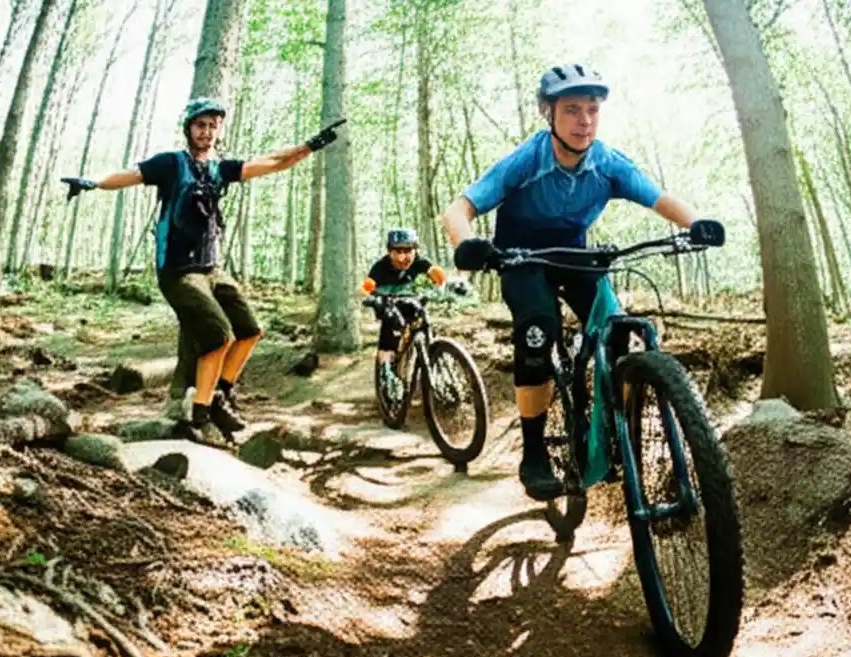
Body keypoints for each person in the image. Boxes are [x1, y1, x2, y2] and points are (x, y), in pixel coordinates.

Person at [440, 63, 708, 501]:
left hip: (574, 256)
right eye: (572, 110)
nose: (585, 121)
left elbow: (660, 198)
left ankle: (613, 434)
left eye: (592, 110)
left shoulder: (607, 163)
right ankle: (534, 455)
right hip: (521, 258)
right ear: (548, 113)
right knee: (537, 332)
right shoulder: (528, 160)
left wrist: (698, 224)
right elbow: (459, 208)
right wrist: (467, 244)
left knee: (619, 333)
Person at [61, 98, 344, 440]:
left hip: (211, 269)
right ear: (189, 129)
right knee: (219, 336)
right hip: (178, 271)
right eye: (200, 125)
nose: (206, 132)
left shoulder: (220, 169)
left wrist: (309, 147)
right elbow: (131, 175)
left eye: (212, 126)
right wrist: (92, 182)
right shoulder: (171, 164)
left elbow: (271, 163)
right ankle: (201, 411)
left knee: (250, 330)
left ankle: (221, 393)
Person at [359, 228, 447, 398]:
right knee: (389, 331)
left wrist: (443, 286)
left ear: (415, 250)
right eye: (397, 252)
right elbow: (366, 288)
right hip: (387, 304)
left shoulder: (420, 262)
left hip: (410, 302)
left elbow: (437, 276)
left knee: (423, 321)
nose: (402, 258)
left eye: (407, 251)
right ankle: (386, 373)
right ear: (389, 251)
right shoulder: (380, 267)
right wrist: (371, 298)